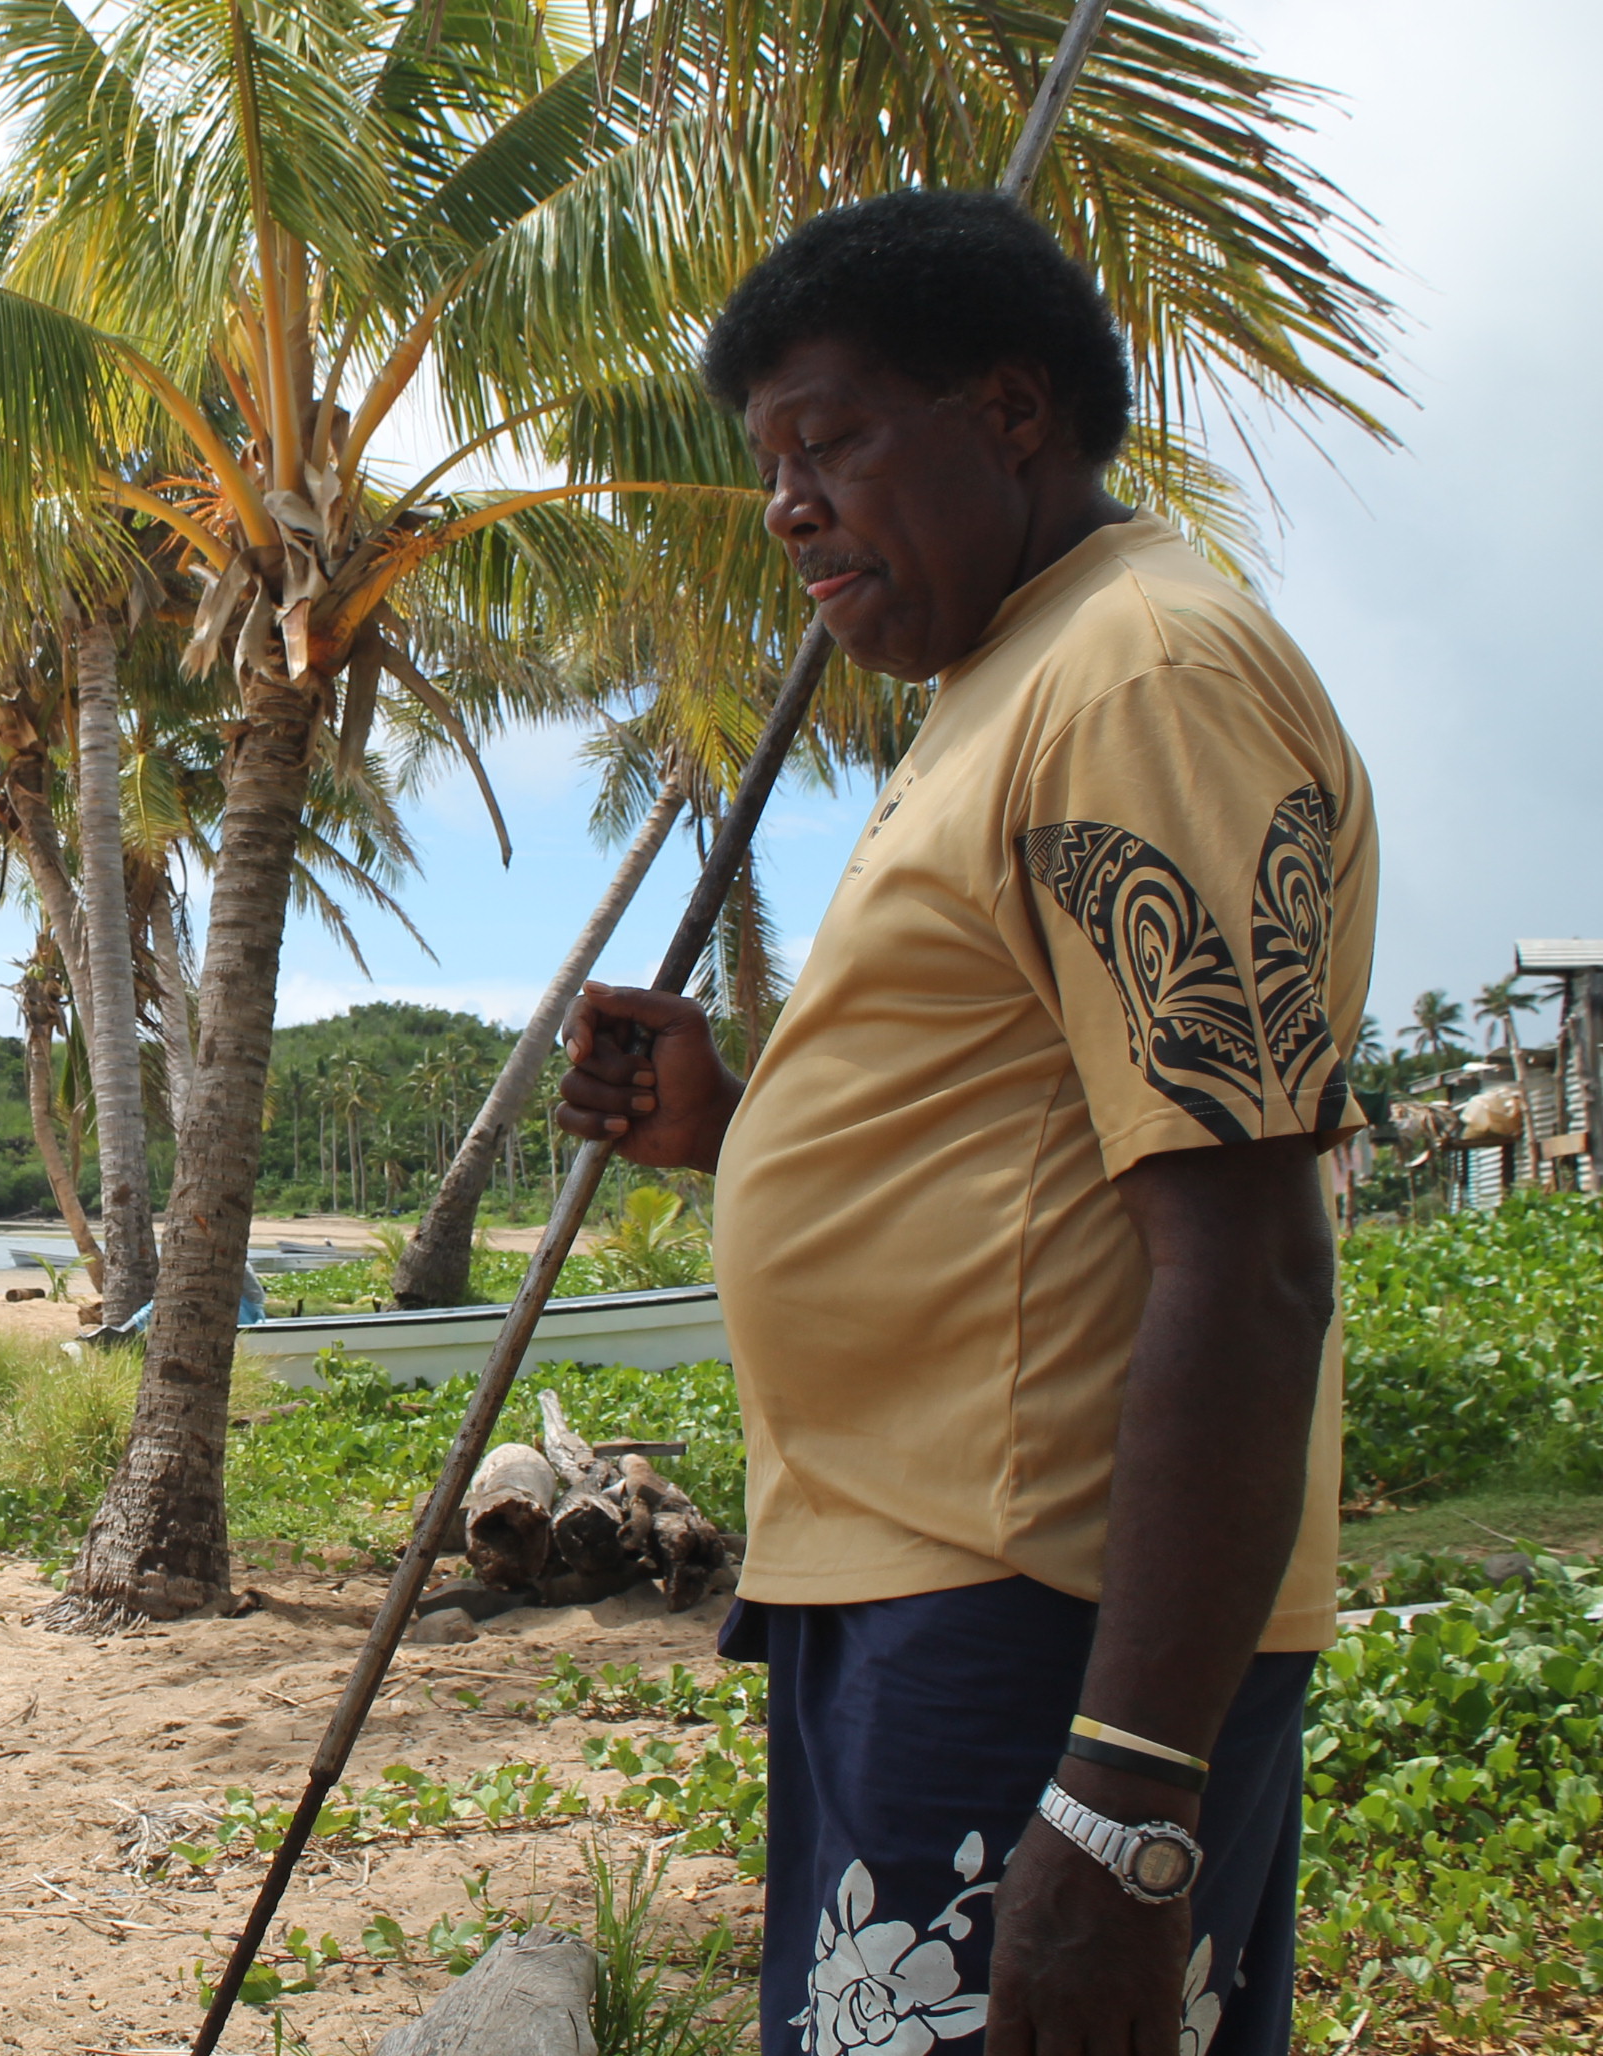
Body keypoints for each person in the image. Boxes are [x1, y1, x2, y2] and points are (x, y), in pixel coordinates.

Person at [556, 190, 1372, 2056]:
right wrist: (735, 1129)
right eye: (769, 463)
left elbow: (1249, 1263)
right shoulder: (1009, 680)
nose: (788, 506)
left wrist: (1123, 1796)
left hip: (1043, 1621)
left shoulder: (1142, 673)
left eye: (830, 438)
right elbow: (1028, 1148)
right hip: (927, 1584)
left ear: (1012, 412)